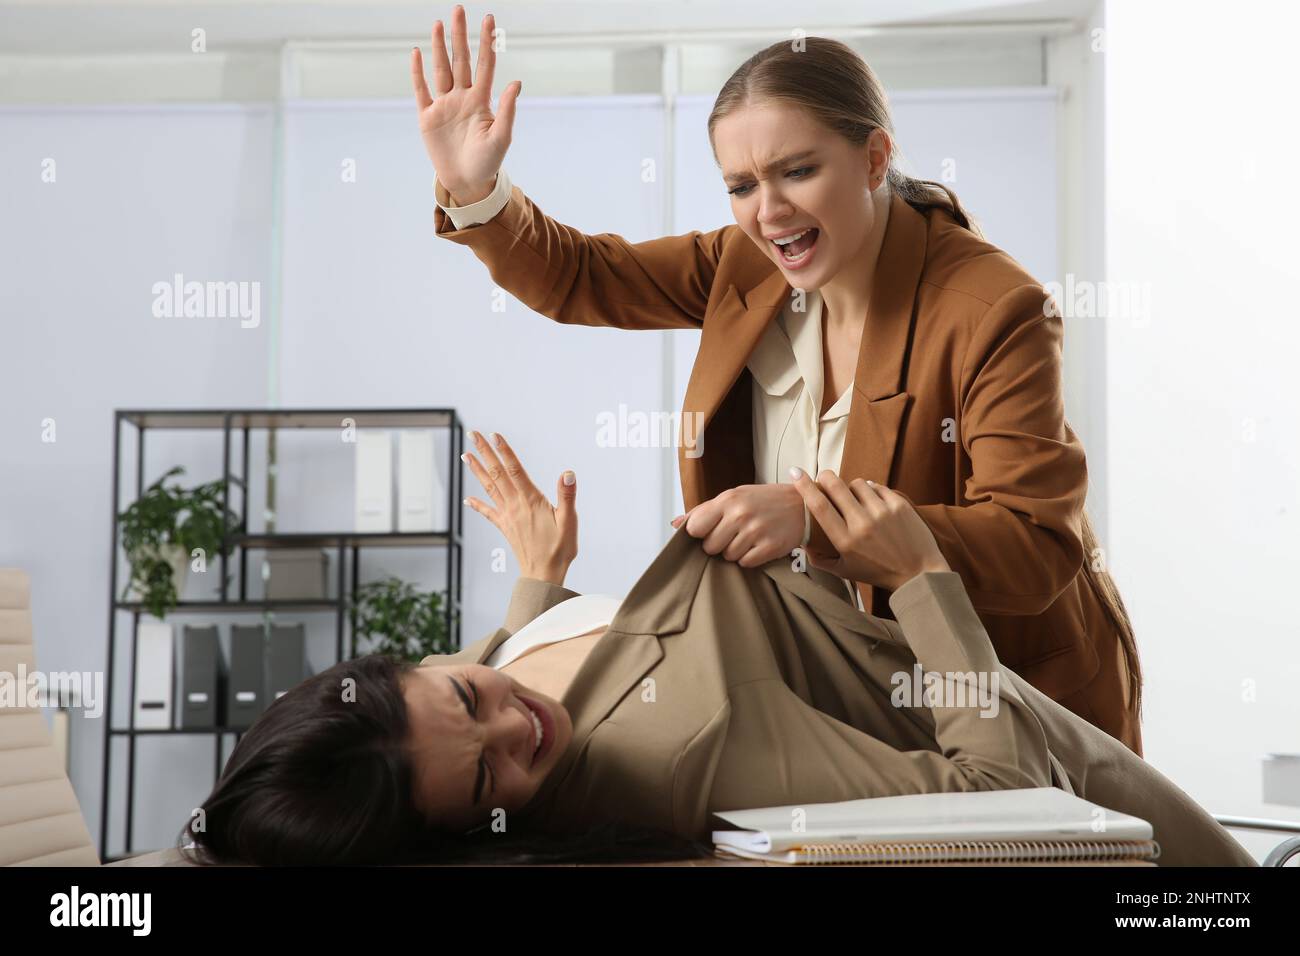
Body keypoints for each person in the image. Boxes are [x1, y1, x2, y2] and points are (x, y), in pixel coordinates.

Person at [410, 7, 1144, 756]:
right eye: (742, 185)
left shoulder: (995, 309)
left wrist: (812, 518)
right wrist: (477, 190)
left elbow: (1033, 548)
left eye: (798, 171)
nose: (768, 212)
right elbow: (584, 278)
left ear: (872, 157)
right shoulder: (748, 264)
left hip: (1010, 703)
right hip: (841, 699)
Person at [179, 432, 1253, 867]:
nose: (516, 724)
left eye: (467, 691)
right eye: (486, 772)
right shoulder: (694, 749)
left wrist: (539, 584)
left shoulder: (434, 722)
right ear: (464, 830)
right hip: (1131, 824)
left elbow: (501, 667)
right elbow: (1010, 792)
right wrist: (922, 576)